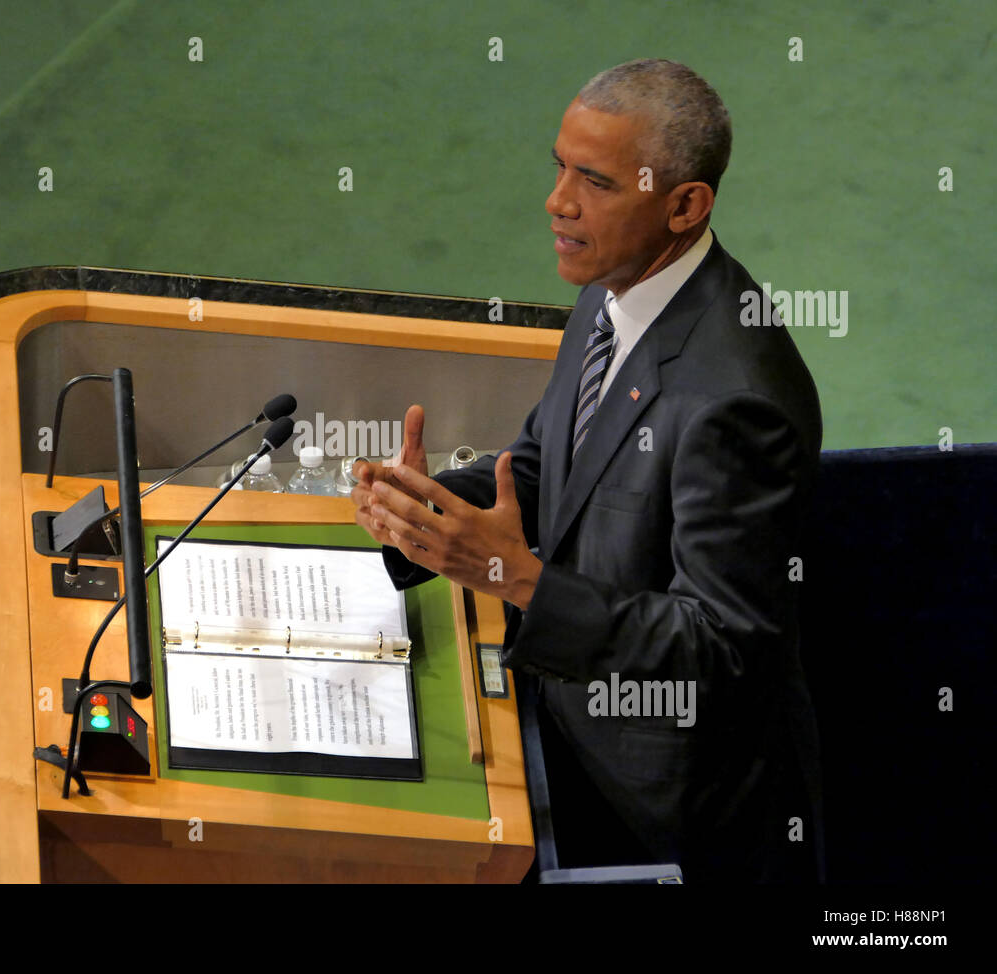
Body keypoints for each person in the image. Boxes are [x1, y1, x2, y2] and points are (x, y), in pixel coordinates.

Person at [352, 59, 823, 882]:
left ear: (684, 205)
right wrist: (427, 517)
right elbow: (548, 468)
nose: (558, 201)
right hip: (563, 719)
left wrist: (517, 578)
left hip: (660, 819)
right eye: (559, 167)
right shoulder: (616, 289)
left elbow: (723, 649)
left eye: (596, 181)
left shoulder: (737, 400)